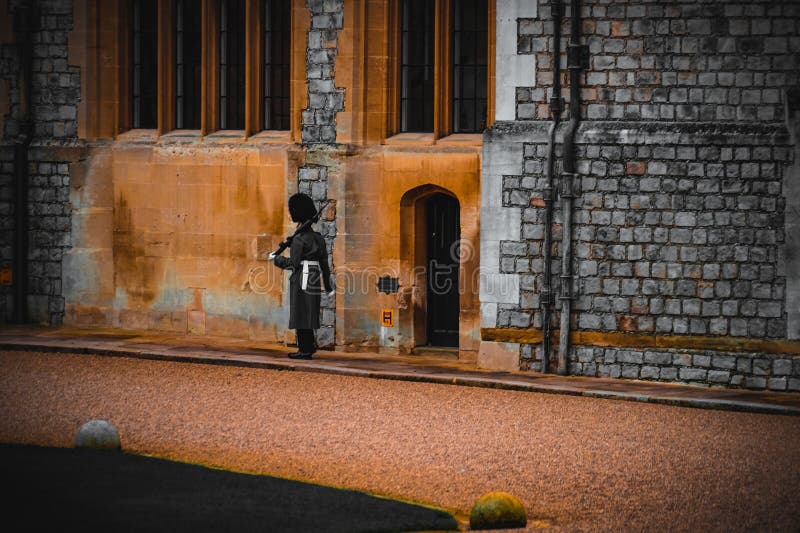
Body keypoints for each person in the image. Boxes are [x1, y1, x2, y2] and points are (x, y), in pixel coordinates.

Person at [268, 193, 333, 359]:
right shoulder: (318, 238)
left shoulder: (299, 239)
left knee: (300, 312)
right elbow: (325, 265)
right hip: (314, 277)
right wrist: (328, 286)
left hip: (301, 277)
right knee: (309, 312)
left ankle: (304, 350)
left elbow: (293, 263)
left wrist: (276, 259)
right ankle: (309, 346)